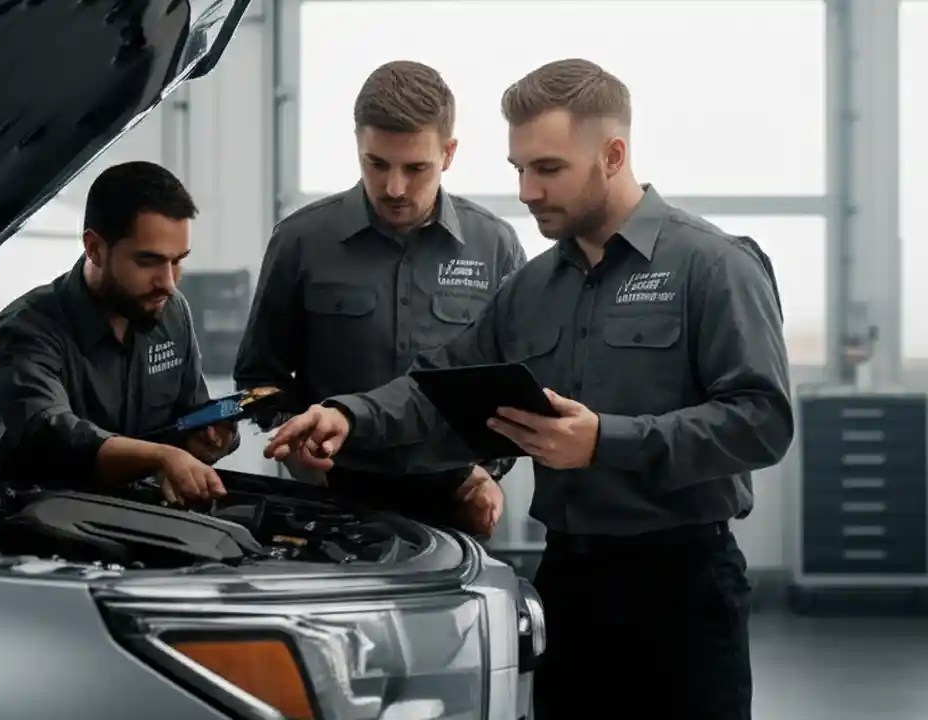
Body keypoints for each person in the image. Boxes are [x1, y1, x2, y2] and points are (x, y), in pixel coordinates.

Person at [262, 58, 793, 720]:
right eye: (518, 169)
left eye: (547, 169)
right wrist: (349, 415)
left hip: (681, 586)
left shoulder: (714, 266)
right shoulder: (535, 288)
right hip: (568, 580)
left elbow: (762, 421)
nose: (527, 191)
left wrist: (606, 441)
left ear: (613, 154)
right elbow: (439, 385)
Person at [234, 60, 526, 536]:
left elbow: (518, 383)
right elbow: (257, 379)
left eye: (416, 168)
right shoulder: (300, 241)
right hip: (331, 502)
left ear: (449, 154)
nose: (394, 187)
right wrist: (298, 449)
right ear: (357, 146)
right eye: (377, 164)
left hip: (455, 503)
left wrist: (486, 475)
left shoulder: (495, 246)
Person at [0, 160, 236, 505]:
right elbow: (50, 435)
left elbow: (186, 417)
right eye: (148, 261)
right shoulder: (25, 328)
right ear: (94, 248)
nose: (167, 282)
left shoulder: (172, 311)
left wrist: (205, 438)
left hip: (150, 516)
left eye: (177, 260)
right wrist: (159, 456)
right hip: (44, 525)